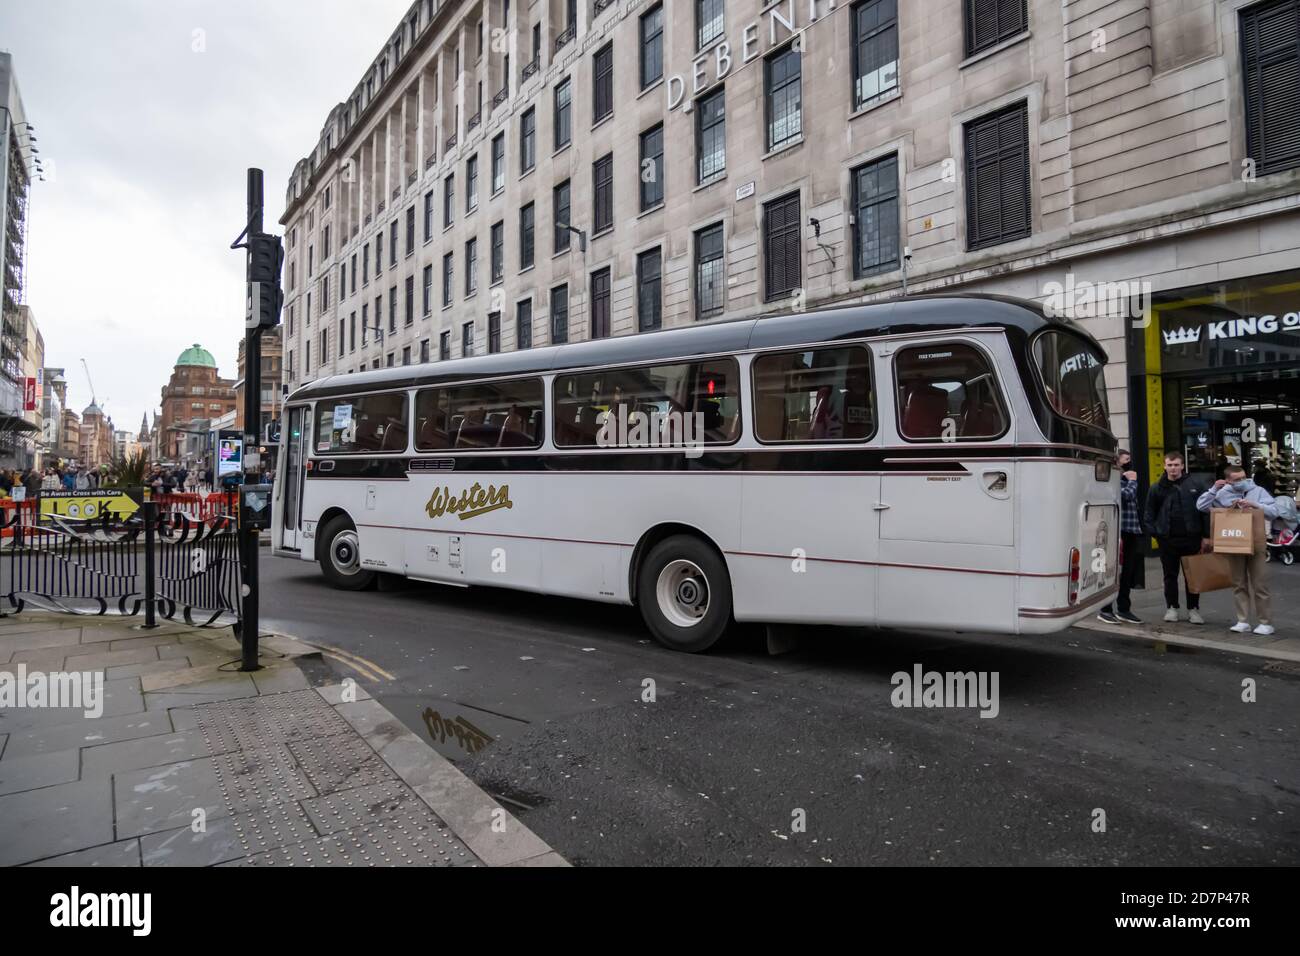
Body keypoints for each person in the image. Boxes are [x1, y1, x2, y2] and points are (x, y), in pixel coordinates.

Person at [1197, 464, 1276, 636]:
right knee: (1238, 583)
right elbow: (1201, 506)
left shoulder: (1258, 490)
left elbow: (1273, 511)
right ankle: (1243, 620)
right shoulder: (1222, 492)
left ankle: (1265, 622)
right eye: (1237, 479)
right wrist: (1213, 490)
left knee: (1259, 583)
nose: (1242, 482)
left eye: (1244, 477)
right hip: (1233, 541)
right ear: (1228, 481)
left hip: (1255, 542)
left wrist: (1254, 504)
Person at [1143, 451, 1211, 624]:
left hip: (1191, 538)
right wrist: (1157, 535)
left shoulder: (1196, 484)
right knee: (1169, 576)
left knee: (1193, 576)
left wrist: (1206, 536)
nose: (1173, 468)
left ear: (1182, 466)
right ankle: (1172, 608)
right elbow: (1148, 514)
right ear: (1165, 466)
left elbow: (1205, 512)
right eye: (1170, 465)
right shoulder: (1156, 487)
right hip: (1168, 540)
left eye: (1176, 465)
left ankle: (1193, 610)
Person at [1098, 449, 1144, 625]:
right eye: (1126, 460)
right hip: (1117, 531)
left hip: (1131, 530)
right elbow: (1126, 496)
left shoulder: (1124, 480)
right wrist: (1133, 481)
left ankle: (1124, 609)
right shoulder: (1112, 479)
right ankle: (1105, 609)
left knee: (1127, 573)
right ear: (1117, 462)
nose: (1129, 463)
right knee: (1112, 571)